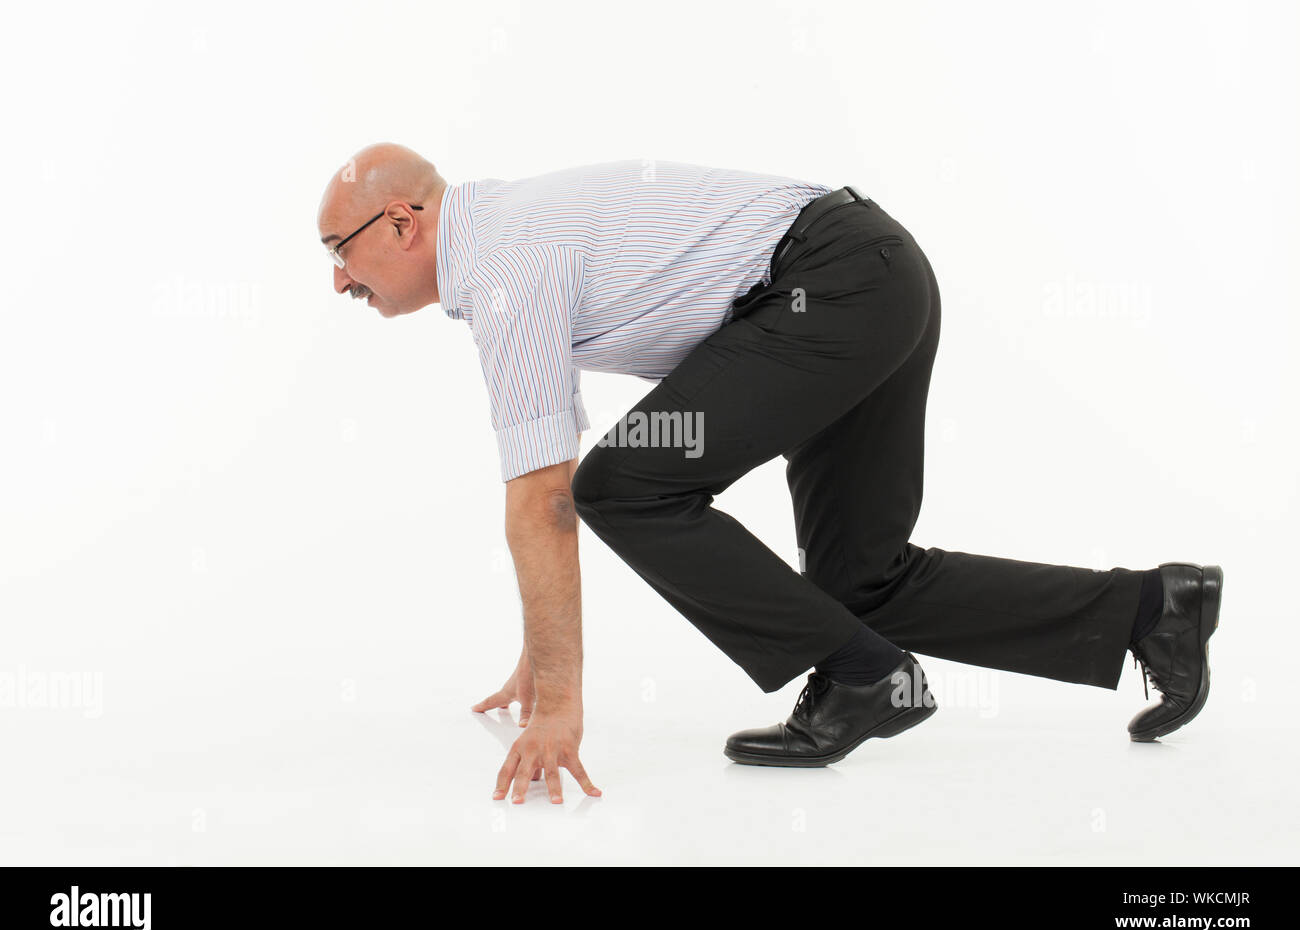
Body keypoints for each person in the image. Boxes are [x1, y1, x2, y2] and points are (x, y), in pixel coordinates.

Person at [316, 143, 1224, 804]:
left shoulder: (500, 263)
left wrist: (558, 699)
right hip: (873, 273)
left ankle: (862, 677)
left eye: (339, 251)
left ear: (402, 222)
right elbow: (537, 501)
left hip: (830, 284)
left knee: (620, 485)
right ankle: (1154, 610)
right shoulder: (509, 237)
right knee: (859, 584)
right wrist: (537, 651)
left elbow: (544, 501)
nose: (338, 280)